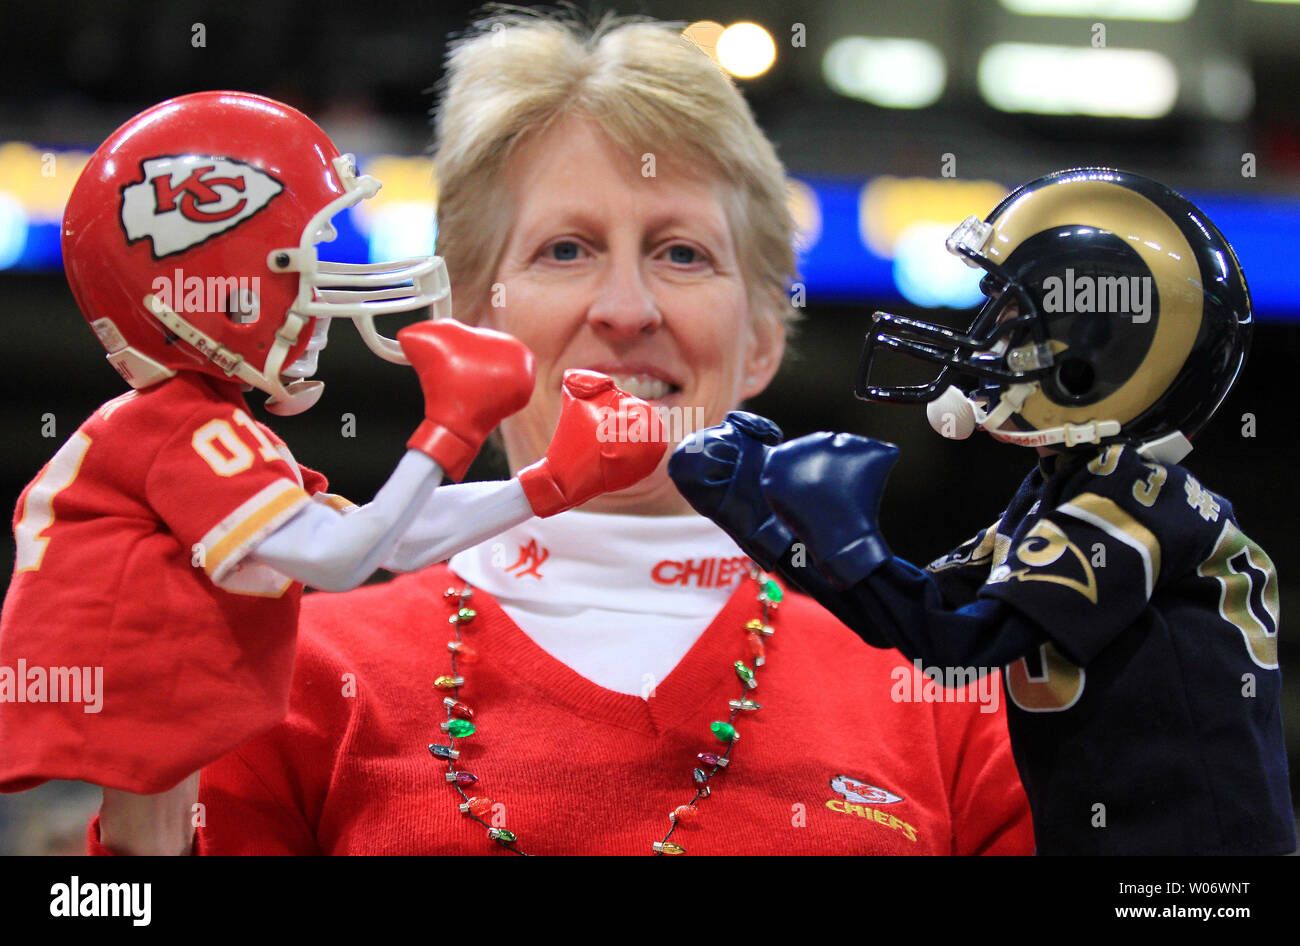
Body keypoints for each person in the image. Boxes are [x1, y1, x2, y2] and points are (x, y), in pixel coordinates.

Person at [88, 10, 1033, 856]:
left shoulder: (945, 697)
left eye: (681, 253)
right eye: (565, 250)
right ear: (470, 325)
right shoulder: (288, 673)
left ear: (761, 341)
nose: (625, 309)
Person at [0, 89, 664, 845]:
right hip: (132, 717)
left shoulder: (194, 428)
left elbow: (386, 540)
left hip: (152, 726)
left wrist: (546, 483)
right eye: (303, 265)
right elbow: (344, 560)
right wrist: (448, 428)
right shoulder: (176, 432)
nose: (323, 293)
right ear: (222, 284)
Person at [674, 168, 1296, 855]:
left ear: (1096, 355)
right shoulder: (1070, 490)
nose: (984, 339)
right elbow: (922, 613)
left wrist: (844, 537)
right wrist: (760, 518)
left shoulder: (1139, 500)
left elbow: (958, 649)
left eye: (1011, 316)